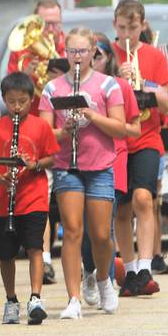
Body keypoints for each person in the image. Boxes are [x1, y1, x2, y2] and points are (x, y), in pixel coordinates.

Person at [40, 27, 128, 319]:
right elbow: (44, 134)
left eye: (82, 51)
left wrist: (91, 114)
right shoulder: (53, 88)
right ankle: (73, 299)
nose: (77, 57)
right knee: (73, 231)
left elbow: (119, 128)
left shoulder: (108, 85)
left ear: (93, 52)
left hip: (100, 166)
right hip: (68, 166)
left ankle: (103, 280)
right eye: (71, 52)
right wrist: (63, 130)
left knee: (101, 235)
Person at [0, 72, 59, 325]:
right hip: (4, 201)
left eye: (22, 101)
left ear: (31, 101)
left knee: (35, 247)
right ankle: (11, 299)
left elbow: (52, 157)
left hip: (33, 197)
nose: (16, 107)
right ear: (3, 99)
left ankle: (35, 297)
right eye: (11, 101)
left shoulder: (40, 126)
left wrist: (33, 164)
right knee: (6, 254)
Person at [111, 0, 168, 297]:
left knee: (143, 198)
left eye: (133, 28)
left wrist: (146, 84)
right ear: (115, 26)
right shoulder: (108, 54)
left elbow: (167, 104)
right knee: (121, 208)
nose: (127, 34)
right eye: (122, 28)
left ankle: (147, 263)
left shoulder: (154, 56)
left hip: (148, 137)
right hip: (118, 140)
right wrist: (117, 80)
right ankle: (132, 268)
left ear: (143, 26)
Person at [6, 0, 66, 285]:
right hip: (33, 131)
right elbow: (10, 88)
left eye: (55, 22)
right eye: (46, 23)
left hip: (65, 132)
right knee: (41, 199)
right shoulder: (22, 51)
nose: (51, 29)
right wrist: (27, 77)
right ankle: (45, 259)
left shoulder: (69, 46)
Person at [81, 34, 140, 308]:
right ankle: (89, 273)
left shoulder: (119, 87)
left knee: (105, 225)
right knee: (83, 227)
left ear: (107, 58)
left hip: (113, 157)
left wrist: (105, 123)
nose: (94, 61)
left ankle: (107, 280)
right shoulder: (74, 86)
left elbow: (133, 128)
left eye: (99, 56)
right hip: (82, 160)